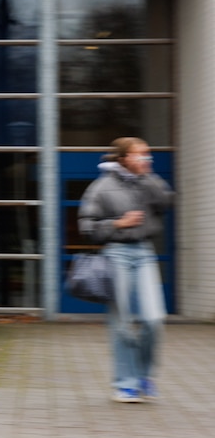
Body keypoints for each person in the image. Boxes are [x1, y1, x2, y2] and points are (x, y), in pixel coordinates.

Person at [77, 137, 174, 404]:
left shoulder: (148, 181)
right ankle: (125, 384)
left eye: (147, 155)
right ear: (123, 159)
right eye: (139, 155)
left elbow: (166, 203)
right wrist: (119, 223)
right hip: (116, 253)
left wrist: (148, 177)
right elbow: (86, 226)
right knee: (121, 322)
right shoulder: (101, 187)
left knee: (154, 319)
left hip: (144, 252)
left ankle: (144, 375)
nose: (146, 159)